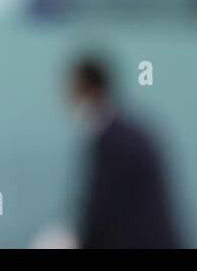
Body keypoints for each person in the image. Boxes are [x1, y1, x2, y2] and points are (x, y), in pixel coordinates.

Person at [69, 57, 181, 249]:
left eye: (74, 89)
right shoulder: (129, 133)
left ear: (88, 89)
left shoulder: (112, 142)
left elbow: (102, 212)